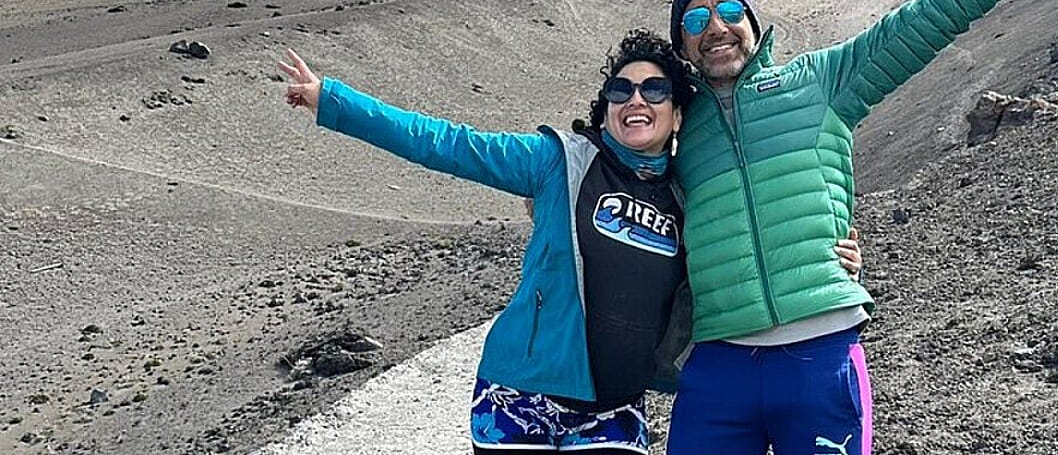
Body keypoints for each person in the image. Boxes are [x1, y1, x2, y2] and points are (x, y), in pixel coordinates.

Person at [663, 0, 1058, 455]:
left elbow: (929, 17)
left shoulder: (821, 82)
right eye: (695, 22)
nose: (715, 28)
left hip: (821, 350)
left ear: (752, 23)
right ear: (681, 46)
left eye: (727, 12)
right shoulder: (673, 128)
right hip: (718, 366)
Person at [278, 29, 867, 453]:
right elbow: (447, 143)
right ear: (606, 106)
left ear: (678, 114)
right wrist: (333, 101)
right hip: (519, 395)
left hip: (614, 406)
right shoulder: (557, 162)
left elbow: (745, 243)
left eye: (655, 89)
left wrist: (830, 259)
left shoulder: (689, 196)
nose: (637, 99)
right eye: (622, 89)